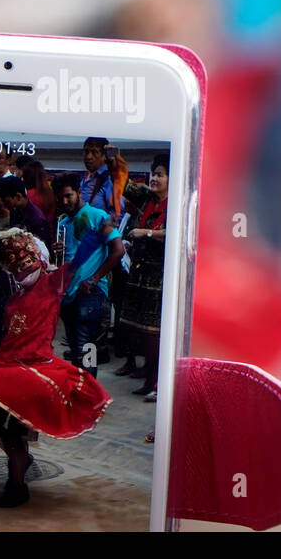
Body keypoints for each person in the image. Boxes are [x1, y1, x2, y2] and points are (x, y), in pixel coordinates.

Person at [0, 230, 112, 508]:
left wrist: (97, 234)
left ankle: (17, 484)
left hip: (34, 374)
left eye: (25, 267)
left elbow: (78, 262)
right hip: (8, 371)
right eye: (16, 269)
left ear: (39, 262)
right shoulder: (13, 299)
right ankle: (21, 461)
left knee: (11, 433)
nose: (20, 274)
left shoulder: (51, 284)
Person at [53, 172, 123, 378]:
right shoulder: (63, 223)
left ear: (78, 192)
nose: (65, 201)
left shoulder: (99, 216)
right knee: (77, 349)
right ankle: (85, 392)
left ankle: (90, 390)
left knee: (86, 347)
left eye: (69, 196)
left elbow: (118, 250)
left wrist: (94, 278)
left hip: (91, 293)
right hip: (68, 293)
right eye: (61, 198)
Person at [119, 153, 169, 399]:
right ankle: (149, 380)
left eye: (160, 174)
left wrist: (146, 234)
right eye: (153, 173)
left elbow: (175, 233)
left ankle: (158, 383)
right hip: (140, 274)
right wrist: (113, 160)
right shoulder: (148, 199)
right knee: (141, 332)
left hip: (160, 277)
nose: (154, 178)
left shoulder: (177, 204)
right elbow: (123, 184)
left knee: (155, 333)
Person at [0, 174, 52, 247]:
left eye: (6, 201)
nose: (4, 204)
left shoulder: (36, 219)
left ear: (18, 197)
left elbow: (40, 249)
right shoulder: (16, 211)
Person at [80, 137, 116, 214]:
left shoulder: (109, 179)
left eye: (94, 152)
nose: (88, 157)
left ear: (104, 156)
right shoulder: (83, 178)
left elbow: (117, 214)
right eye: (86, 152)